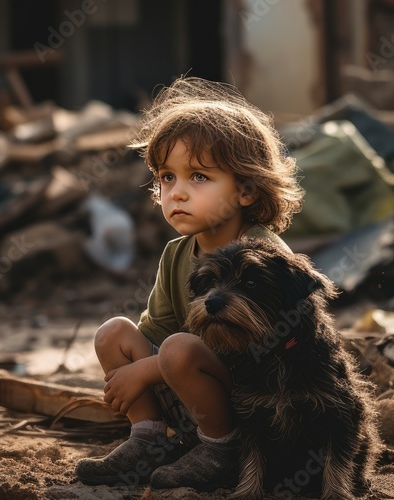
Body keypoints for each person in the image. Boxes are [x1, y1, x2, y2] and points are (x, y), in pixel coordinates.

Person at [75, 77, 304, 491]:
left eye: (198, 177)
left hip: (257, 397)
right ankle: (149, 440)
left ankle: (222, 450)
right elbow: (156, 332)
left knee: (181, 349)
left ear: (247, 189)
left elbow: (269, 350)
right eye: (166, 177)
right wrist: (142, 366)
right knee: (114, 333)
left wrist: (145, 371)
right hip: (191, 382)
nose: (175, 193)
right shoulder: (176, 254)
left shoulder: (263, 257)